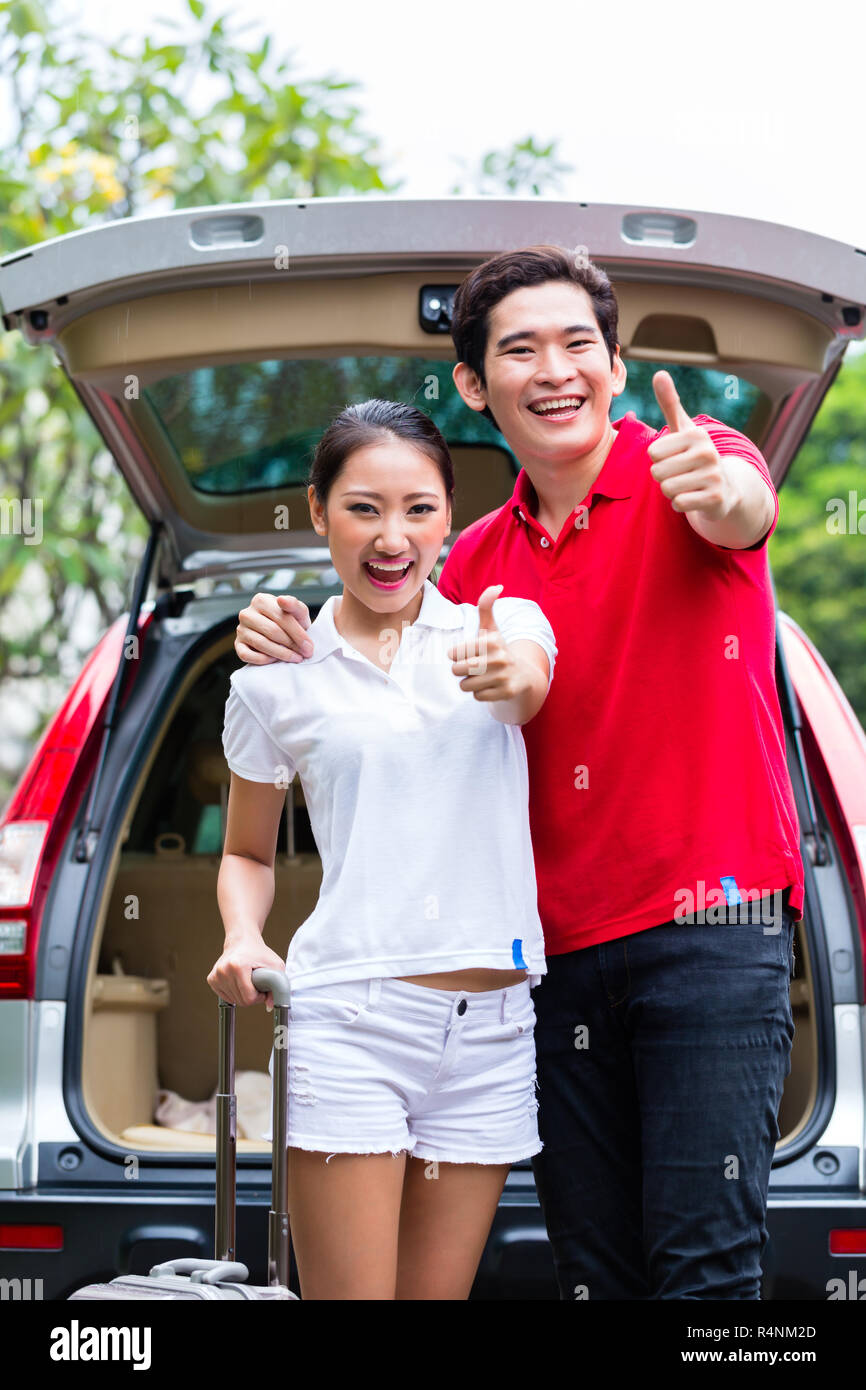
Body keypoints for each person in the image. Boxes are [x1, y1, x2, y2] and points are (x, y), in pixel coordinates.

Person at [233, 245, 804, 1301]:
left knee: (703, 1271)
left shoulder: (691, 457)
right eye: (519, 349)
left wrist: (718, 485)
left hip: (706, 939)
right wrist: (271, 620)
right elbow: (368, 651)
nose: (553, 369)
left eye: (577, 343)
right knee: (596, 1272)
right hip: (547, 960)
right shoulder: (477, 562)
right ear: (470, 383)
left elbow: (739, 506)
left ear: (616, 364)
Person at [207, 398, 558, 1301]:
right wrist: (243, 937)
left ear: (449, 515)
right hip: (354, 1022)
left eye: (419, 508)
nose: (392, 536)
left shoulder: (500, 623)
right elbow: (247, 851)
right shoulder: (275, 681)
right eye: (363, 507)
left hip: (495, 1029)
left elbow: (525, 686)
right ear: (319, 511)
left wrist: (508, 673)